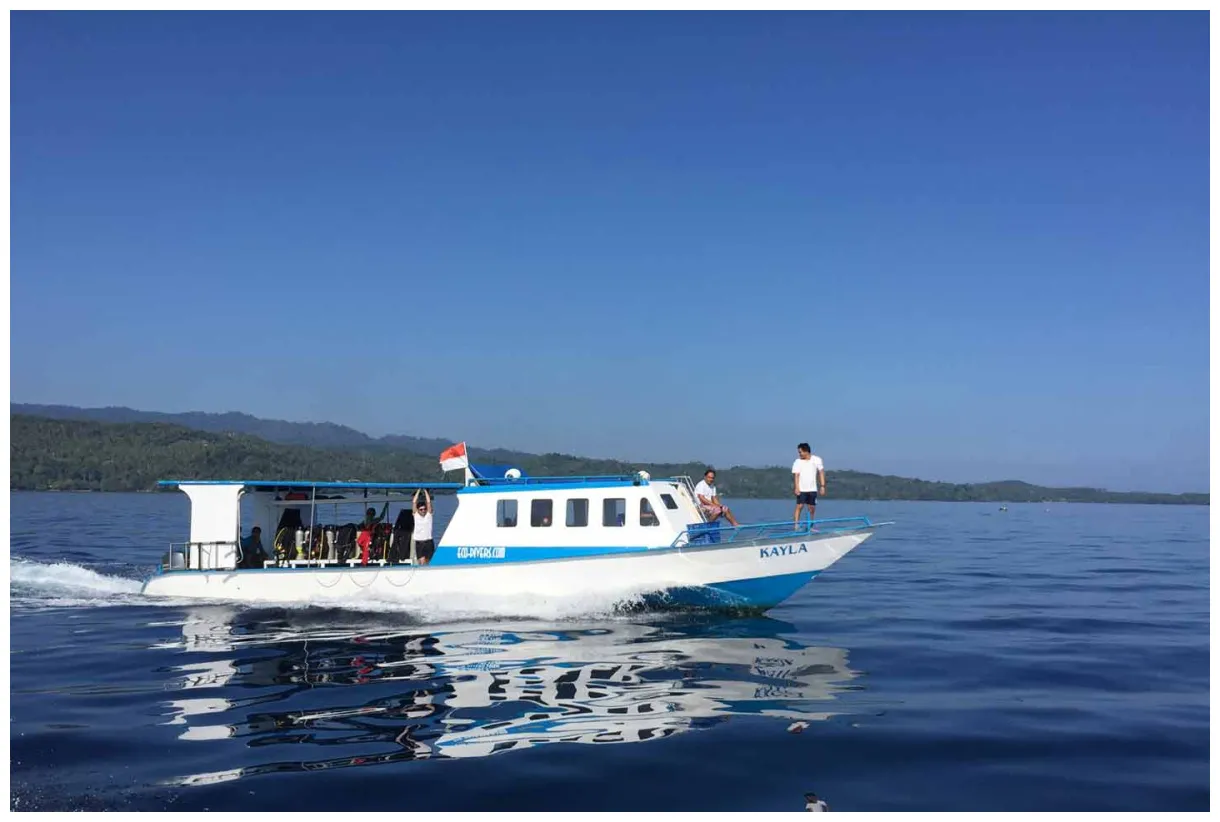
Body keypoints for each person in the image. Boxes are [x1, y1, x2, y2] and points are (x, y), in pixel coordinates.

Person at [792, 442, 826, 526]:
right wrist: (796, 487)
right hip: (802, 488)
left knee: (812, 508)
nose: (799, 454)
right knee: (799, 506)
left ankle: (810, 525)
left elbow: (821, 472)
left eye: (800, 452)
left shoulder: (816, 459)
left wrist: (822, 486)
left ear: (806, 451)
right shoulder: (797, 461)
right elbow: (796, 475)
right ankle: (796, 525)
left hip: (812, 488)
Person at [412, 489, 435, 565]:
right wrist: (418, 490)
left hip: (428, 542)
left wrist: (425, 491)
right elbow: (414, 502)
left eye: (424, 509)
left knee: (429, 562)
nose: (423, 511)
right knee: (422, 562)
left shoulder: (428, 516)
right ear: (418, 510)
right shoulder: (416, 516)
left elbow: (428, 503)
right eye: (421, 509)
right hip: (419, 542)